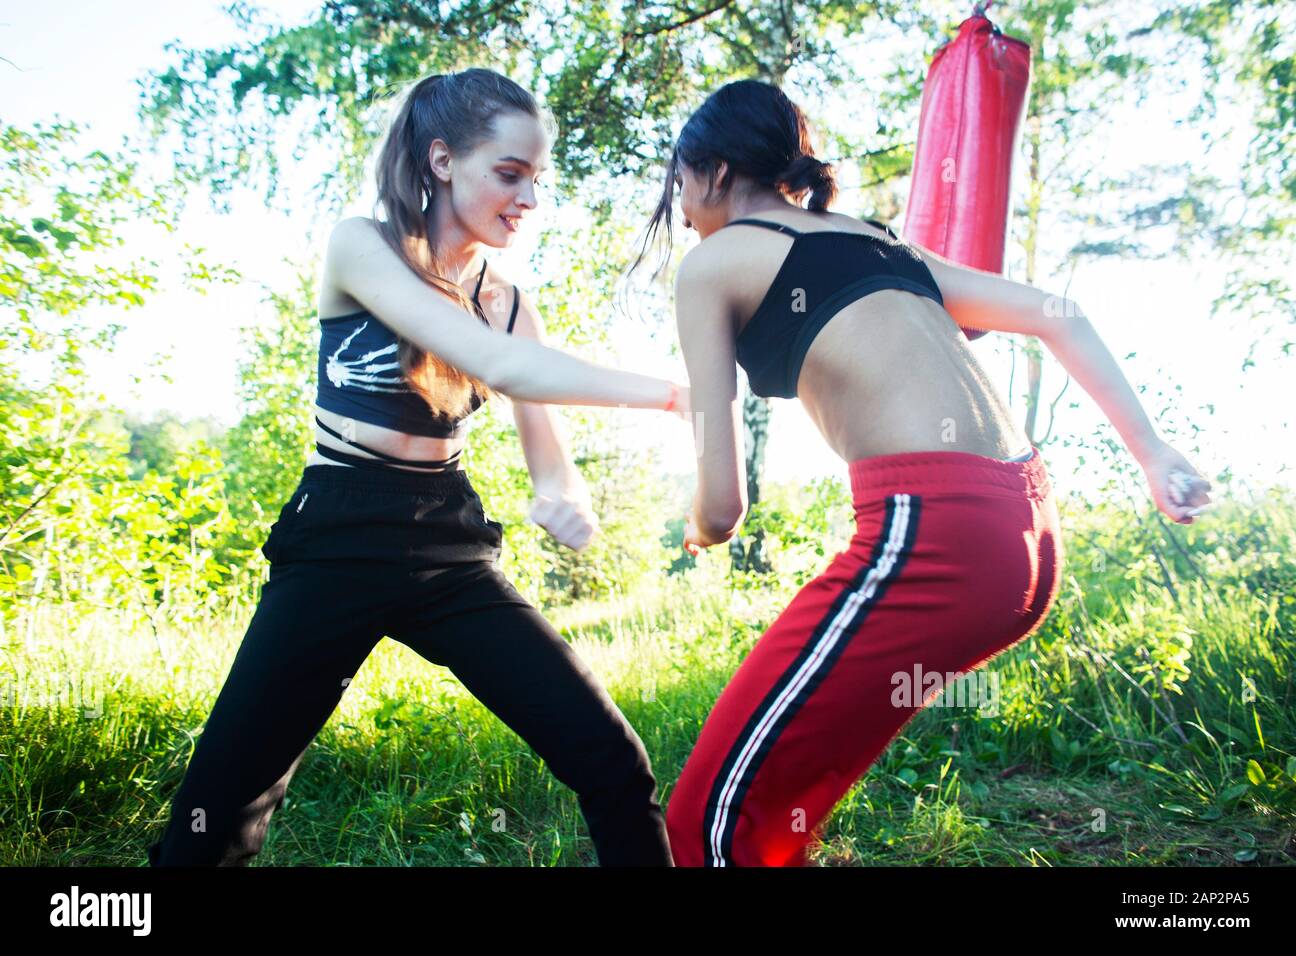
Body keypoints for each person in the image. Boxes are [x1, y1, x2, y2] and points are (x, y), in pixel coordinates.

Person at [631, 79, 1213, 866]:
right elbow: (1053, 311)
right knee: (783, 789)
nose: (683, 205)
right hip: (1026, 535)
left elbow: (724, 502)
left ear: (711, 172)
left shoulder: (714, 263)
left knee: (707, 819)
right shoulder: (880, 240)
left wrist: (702, 527)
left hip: (934, 528)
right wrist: (1153, 452)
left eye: (679, 184)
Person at [148, 68, 688, 867]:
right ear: (442, 161)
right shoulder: (360, 247)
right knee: (219, 811)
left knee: (612, 761)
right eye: (509, 174)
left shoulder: (507, 301)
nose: (529, 200)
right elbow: (497, 366)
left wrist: (560, 496)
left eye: (537, 178)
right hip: (337, 535)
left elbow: (548, 455)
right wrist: (678, 394)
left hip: (446, 545)